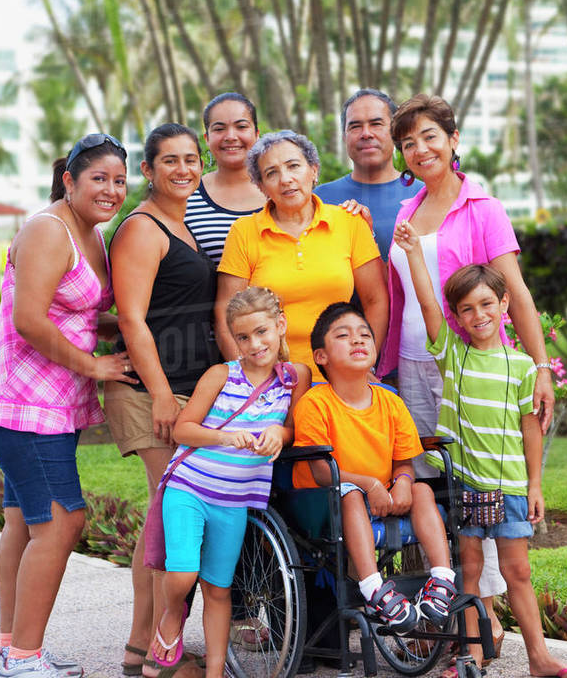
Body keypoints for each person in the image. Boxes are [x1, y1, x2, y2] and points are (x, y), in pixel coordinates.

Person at [381, 93, 555, 651]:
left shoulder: (484, 208)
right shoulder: (406, 212)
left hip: (469, 368)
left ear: (453, 139)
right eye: (408, 143)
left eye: (430, 136)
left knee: (484, 482)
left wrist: (542, 367)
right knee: (431, 487)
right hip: (414, 365)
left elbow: (516, 293)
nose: (419, 149)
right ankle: (447, 613)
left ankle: (487, 617)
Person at [0, 133, 134, 678]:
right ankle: (22, 658)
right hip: (22, 402)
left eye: (120, 180)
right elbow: (29, 320)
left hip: (51, 404)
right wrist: (95, 366)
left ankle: (12, 647)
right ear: (69, 180)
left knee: (25, 521)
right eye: (99, 178)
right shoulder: (47, 229)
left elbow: (74, 313)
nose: (111, 190)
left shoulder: (91, 232)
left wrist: (133, 325)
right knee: (62, 521)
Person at [391, 247, 567, 678]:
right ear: (456, 316)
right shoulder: (453, 355)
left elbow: (531, 431)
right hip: (467, 486)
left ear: (504, 304)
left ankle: (540, 660)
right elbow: (427, 303)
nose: (478, 315)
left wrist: (535, 485)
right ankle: (471, 657)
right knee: (469, 572)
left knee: (517, 571)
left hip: (511, 488)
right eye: (466, 309)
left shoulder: (522, 368)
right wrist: (412, 253)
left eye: (487, 304)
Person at [150, 286, 310, 678]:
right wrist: (223, 437)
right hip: (190, 487)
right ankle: (171, 614)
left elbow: (294, 428)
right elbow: (183, 429)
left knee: (219, 589)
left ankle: (215, 673)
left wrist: (279, 432)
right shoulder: (221, 375)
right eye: (243, 337)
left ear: (280, 325)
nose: (254, 344)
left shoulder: (295, 377)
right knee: (183, 573)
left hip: (235, 500)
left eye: (261, 332)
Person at [107, 123, 220, 678]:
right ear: (147, 170)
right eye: (169, 160)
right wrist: (159, 395)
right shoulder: (142, 228)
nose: (183, 169)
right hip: (150, 390)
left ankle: (140, 649)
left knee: (161, 519)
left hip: (185, 387)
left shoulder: (182, 224)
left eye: (191, 159)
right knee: (173, 519)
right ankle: (161, 657)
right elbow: (131, 318)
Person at [291, 302, 457, 634]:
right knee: (351, 494)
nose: (357, 340)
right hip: (323, 501)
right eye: (343, 335)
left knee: (422, 490)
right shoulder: (314, 403)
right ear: (321, 356)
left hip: (380, 498)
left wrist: (403, 482)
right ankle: (372, 587)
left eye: (364, 335)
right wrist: (370, 484)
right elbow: (321, 472)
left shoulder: (390, 402)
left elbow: (403, 461)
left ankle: (442, 580)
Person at [216, 130, 388, 380]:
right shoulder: (243, 232)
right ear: (261, 186)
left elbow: (376, 300)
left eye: (293, 166)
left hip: (342, 377)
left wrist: (365, 363)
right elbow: (226, 313)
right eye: (271, 173)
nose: (285, 179)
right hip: (272, 382)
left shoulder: (349, 222)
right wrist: (250, 380)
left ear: (313, 170)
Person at [315, 88, 418, 261]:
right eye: (355, 126)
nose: (366, 134)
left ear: (396, 132)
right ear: (344, 136)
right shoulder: (318, 200)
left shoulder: (424, 195)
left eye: (376, 124)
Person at [184, 92, 267, 266]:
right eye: (219, 129)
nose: (230, 136)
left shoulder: (282, 190)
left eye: (241, 126)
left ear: (256, 133)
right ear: (207, 138)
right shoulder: (186, 195)